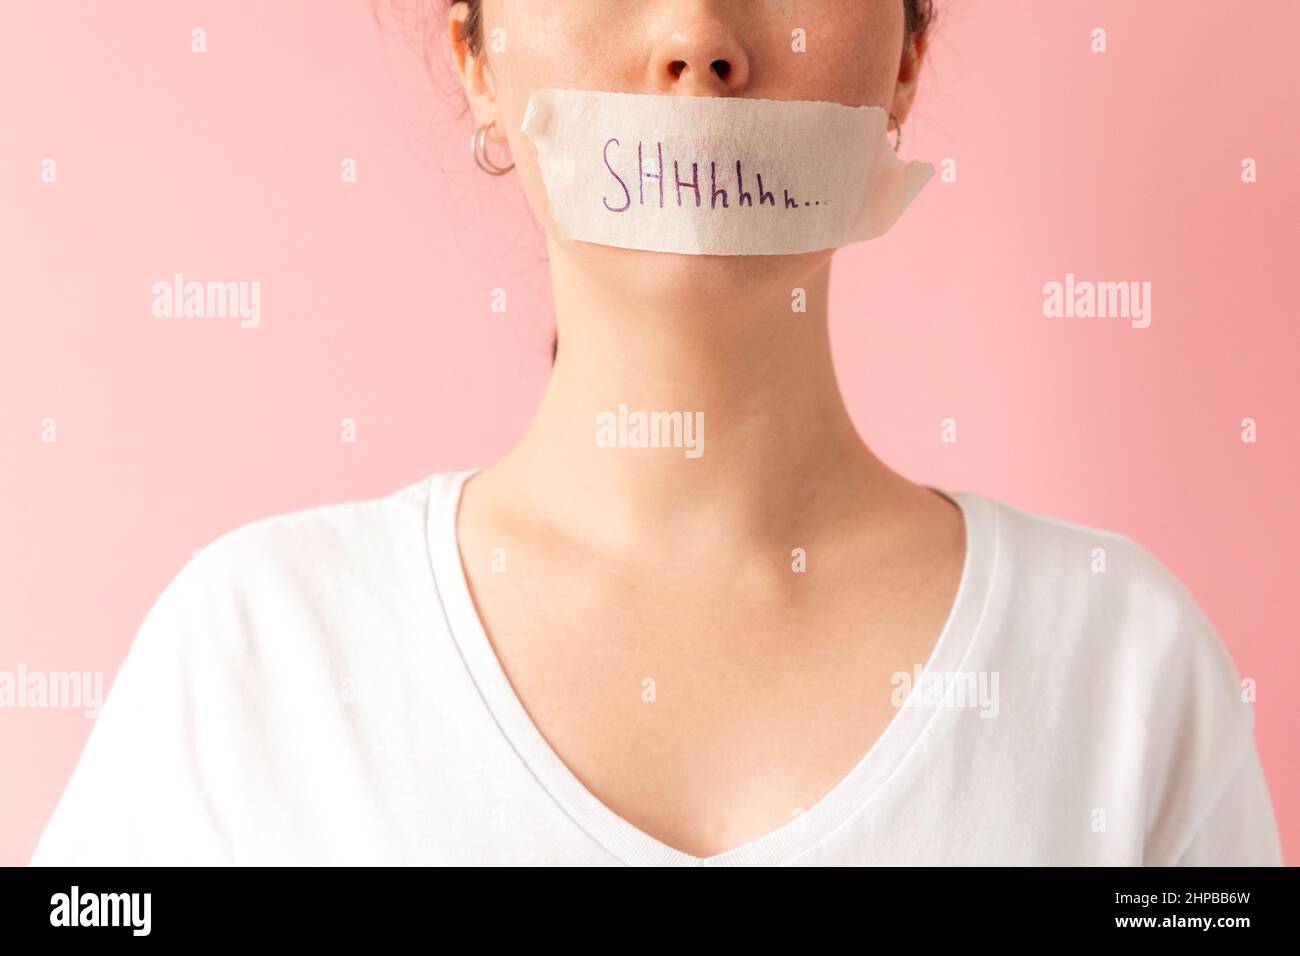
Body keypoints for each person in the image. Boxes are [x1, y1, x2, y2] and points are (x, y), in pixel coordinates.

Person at [31, 0, 1282, 866]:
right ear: (474, 51)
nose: (697, 38)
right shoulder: (251, 661)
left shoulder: (1128, 665)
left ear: (905, 53)